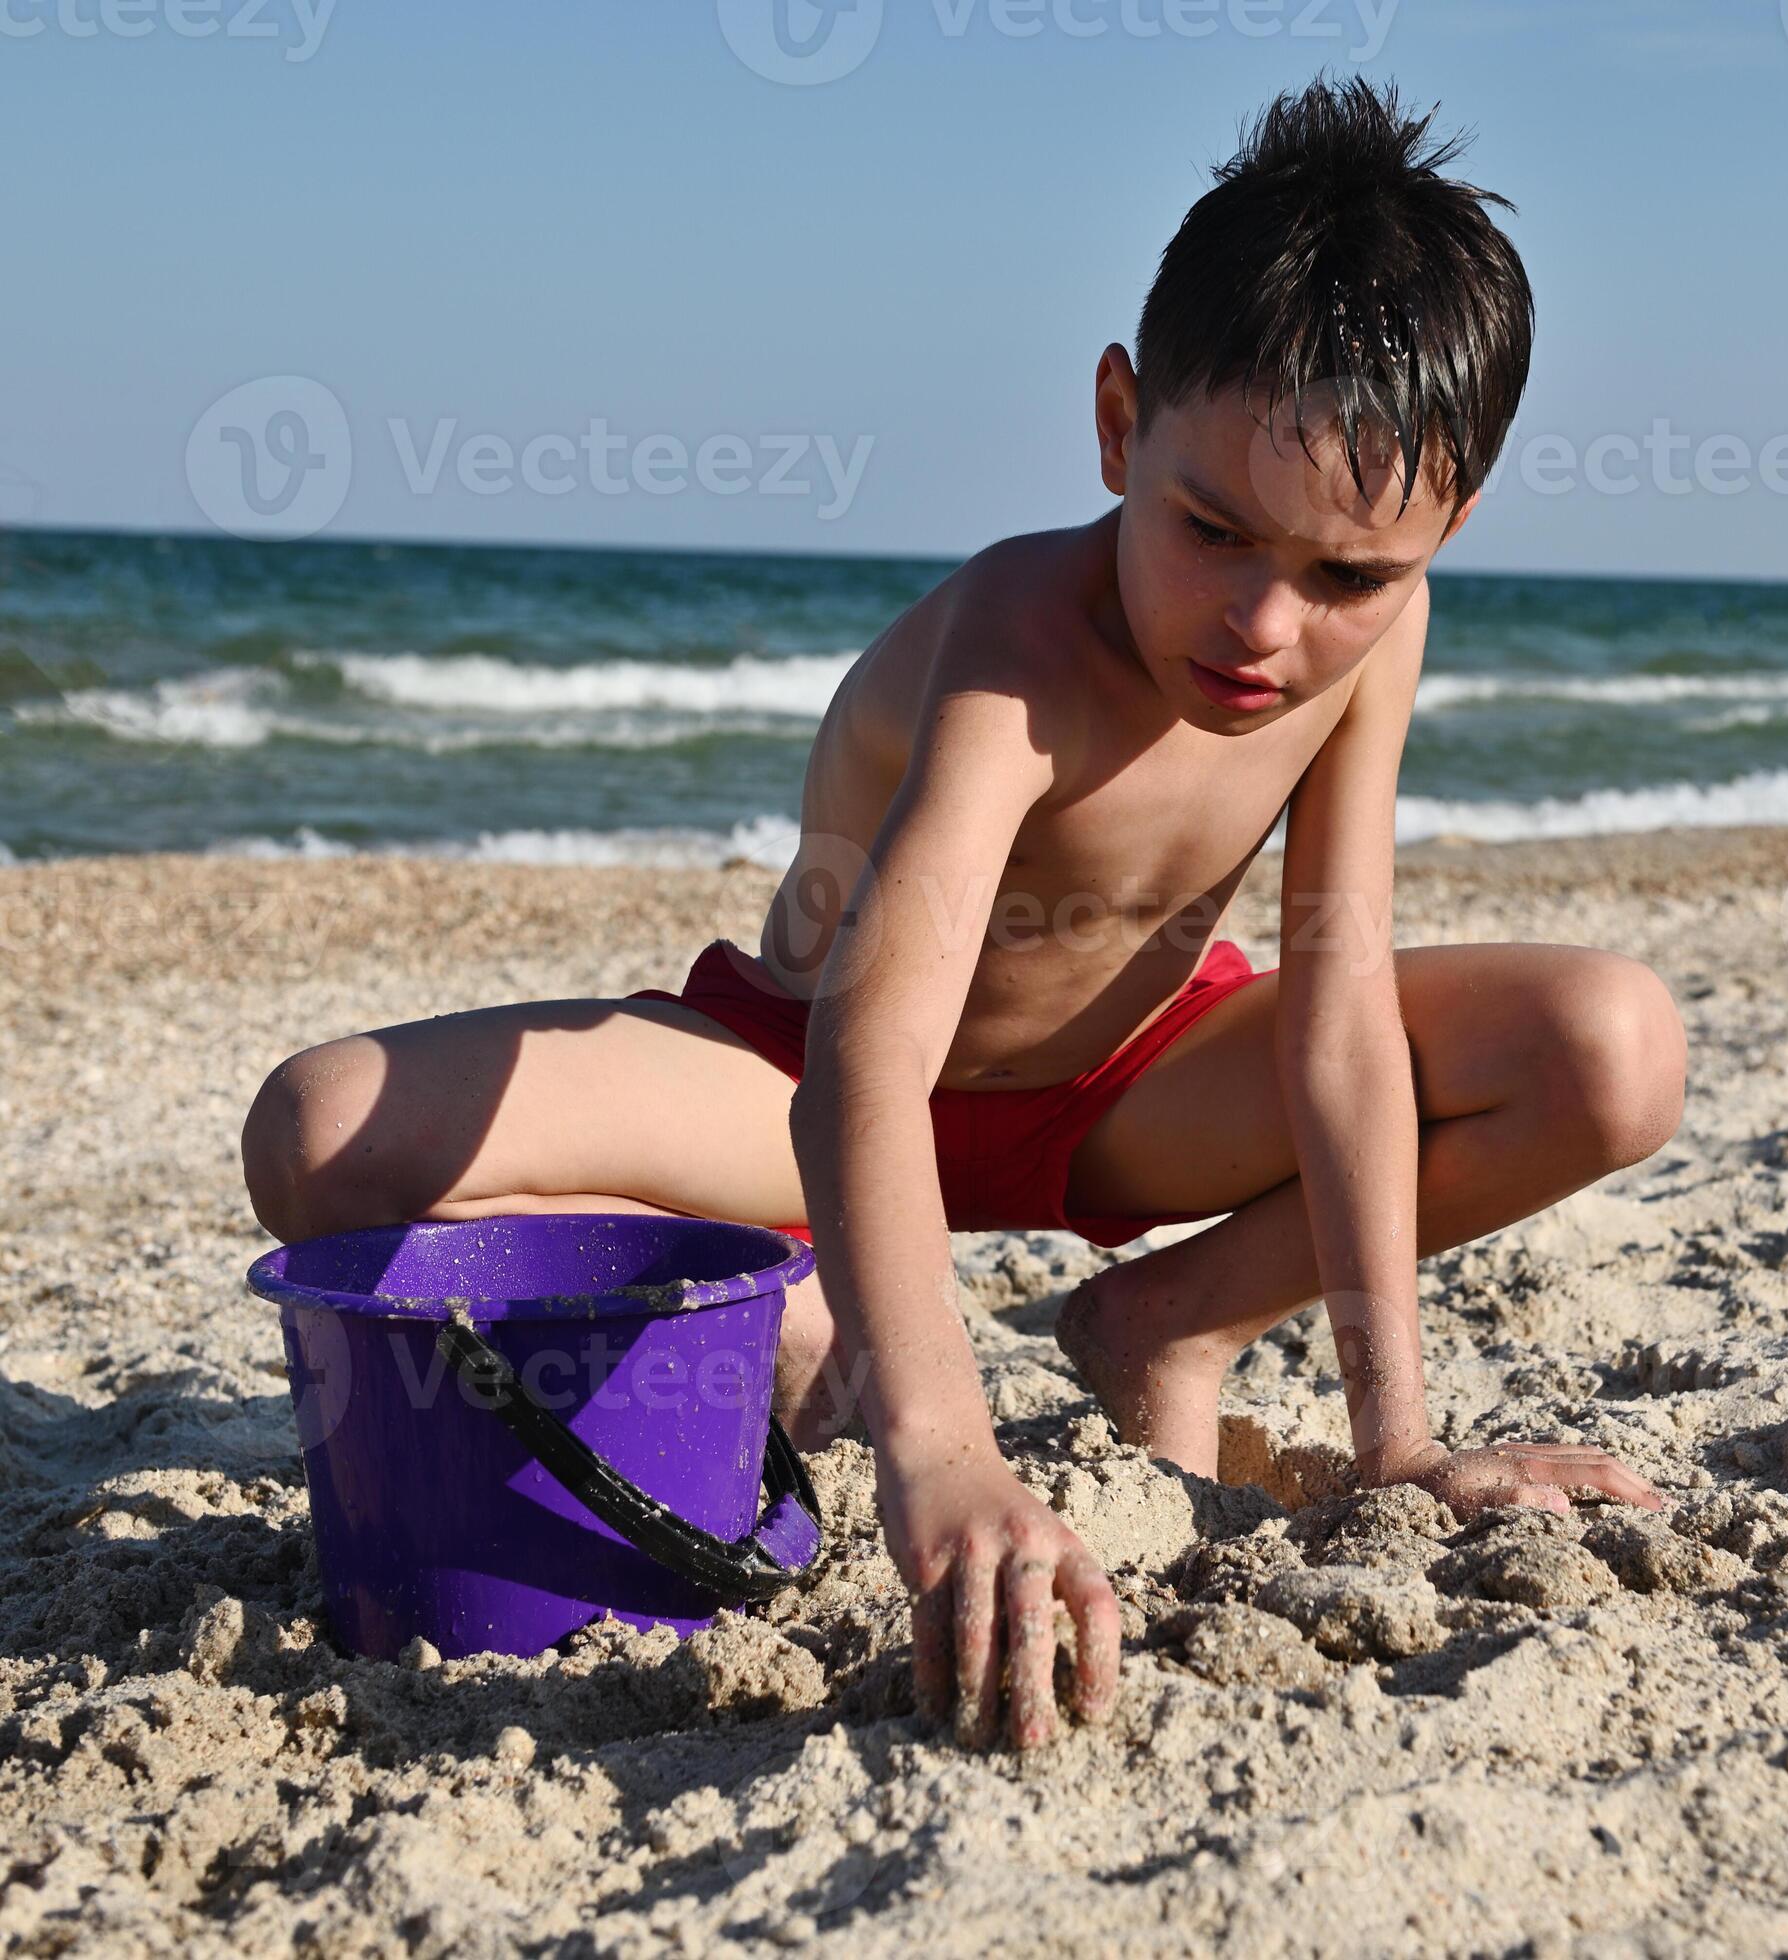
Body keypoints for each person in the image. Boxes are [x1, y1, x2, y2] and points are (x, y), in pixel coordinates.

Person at [241, 76, 1688, 1753]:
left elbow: (1340, 1014)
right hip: (798, 1089)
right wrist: (940, 1449)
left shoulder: (1374, 633)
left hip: (1125, 1093)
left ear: (1441, 530)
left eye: (1349, 577)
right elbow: (866, 1055)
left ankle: (1165, 1321)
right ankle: (796, 1316)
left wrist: (1399, 1444)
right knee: (323, 1129)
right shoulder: (1018, 648)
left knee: (1609, 1049)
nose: (1263, 623)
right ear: (1116, 425)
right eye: (1212, 530)